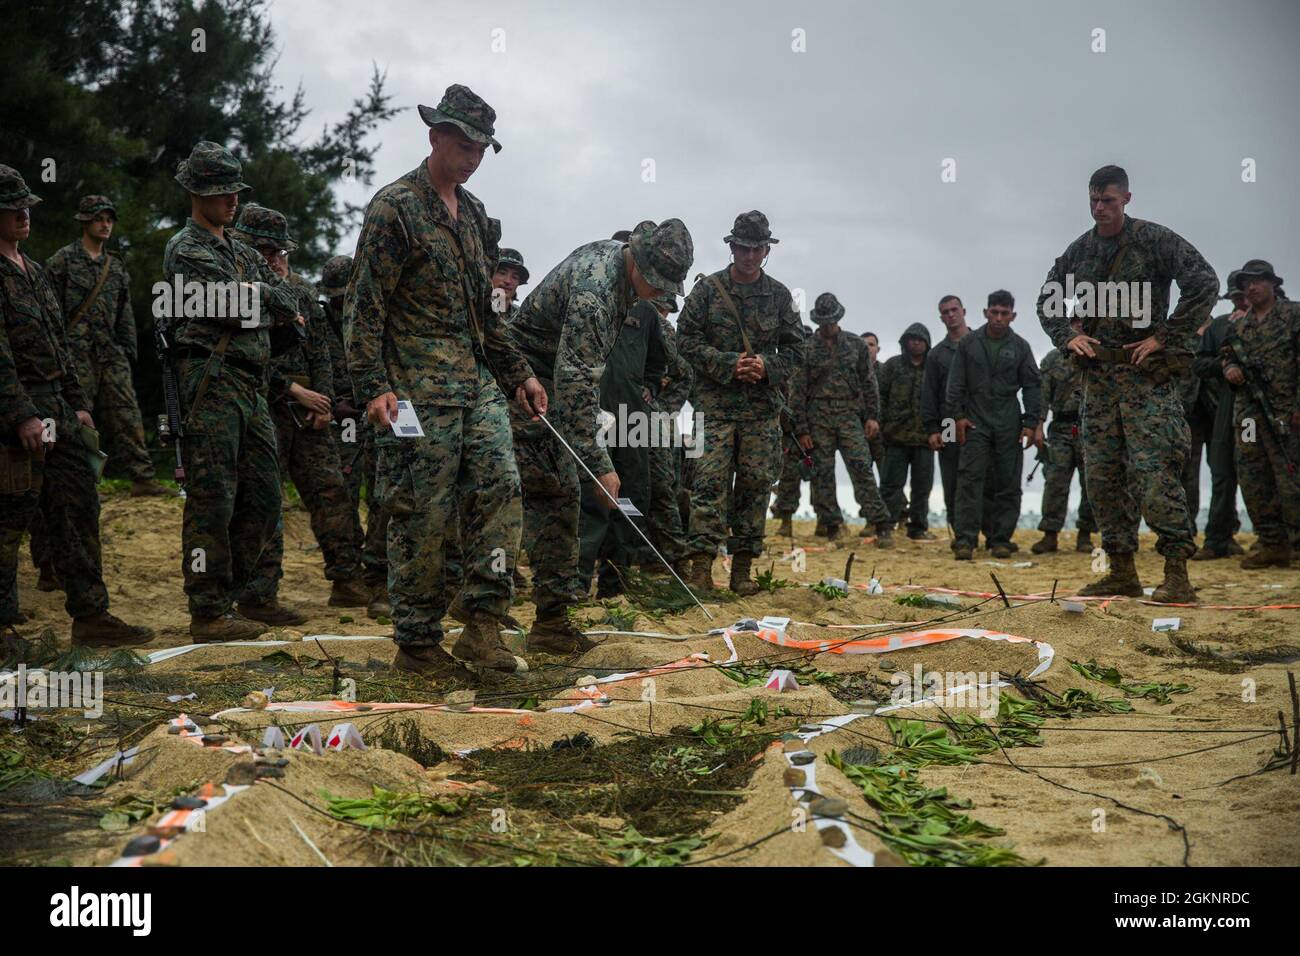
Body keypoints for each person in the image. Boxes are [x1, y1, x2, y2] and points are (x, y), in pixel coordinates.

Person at [346, 84, 548, 675]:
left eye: (483, 147)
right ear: (435, 136)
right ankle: (416, 641)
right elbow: (365, 307)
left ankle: (483, 624)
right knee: (420, 511)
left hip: (476, 382)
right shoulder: (395, 208)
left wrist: (520, 375)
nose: (474, 156)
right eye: (464, 144)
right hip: (412, 389)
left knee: (502, 487)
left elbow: (486, 315)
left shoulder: (478, 216)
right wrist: (371, 385)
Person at [1037, 165, 1217, 601]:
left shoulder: (1154, 240)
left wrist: (1165, 336)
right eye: (1094, 200)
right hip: (1097, 383)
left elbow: (1204, 282)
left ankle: (1177, 575)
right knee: (1102, 478)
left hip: (1144, 380)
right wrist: (1069, 335)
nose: (1100, 208)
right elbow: (1047, 300)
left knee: (1154, 474)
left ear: (1127, 200)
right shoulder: (1079, 251)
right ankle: (1122, 571)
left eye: (1109, 201)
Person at [510, 218, 692, 631]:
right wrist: (600, 464)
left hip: (555, 383)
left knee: (560, 493)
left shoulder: (621, 274)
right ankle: (521, 612)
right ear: (639, 266)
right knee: (553, 492)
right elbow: (576, 380)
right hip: (528, 382)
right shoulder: (596, 292)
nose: (661, 295)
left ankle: (552, 621)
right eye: (658, 284)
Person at [0, 164, 153, 645]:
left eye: (28, 205)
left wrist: (77, 403)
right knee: (11, 519)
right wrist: (21, 413)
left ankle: (91, 615)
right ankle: (3, 626)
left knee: (78, 506)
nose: (25, 213)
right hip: (17, 412)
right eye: (14, 206)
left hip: (58, 409)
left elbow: (58, 343)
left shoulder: (36, 271)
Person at [163, 142, 304, 641]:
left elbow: (285, 299)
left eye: (234, 191)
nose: (231, 200)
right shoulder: (185, 249)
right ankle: (206, 609)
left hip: (251, 383)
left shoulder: (242, 250)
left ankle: (235, 596)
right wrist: (264, 300)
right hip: (211, 380)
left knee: (265, 497)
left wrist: (261, 298)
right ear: (195, 193)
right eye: (220, 192)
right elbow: (229, 307)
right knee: (212, 498)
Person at [231, 205, 368, 620]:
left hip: (310, 414)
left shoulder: (304, 293)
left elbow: (321, 350)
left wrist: (322, 401)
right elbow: (244, 357)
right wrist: (291, 389)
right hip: (264, 407)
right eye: (264, 251)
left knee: (332, 493)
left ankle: (346, 577)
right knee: (263, 501)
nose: (274, 259)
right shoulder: (241, 294)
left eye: (279, 252)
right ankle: (260, 594)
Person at [678, 211, 803, 594]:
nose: (749, 256)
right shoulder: (707, 291)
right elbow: (685, 340)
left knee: (754, 486)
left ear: (766, 250)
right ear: (732, 248)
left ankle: (743, 570)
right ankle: (701, 568)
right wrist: (729, 364)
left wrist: (766, 366)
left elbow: (798, 351)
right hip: (714, 408)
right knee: (708, 484)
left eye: (757, 249)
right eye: (743, 248)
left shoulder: (781, 296)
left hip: (760, 411)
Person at [44, 195, 165, 496]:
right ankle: (74, 479)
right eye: (99, 218)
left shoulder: (116, 266)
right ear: (85, 221)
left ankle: (142, 477)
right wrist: (55, 352)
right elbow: (49, 310)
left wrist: (127, 349)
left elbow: (124, 313)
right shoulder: (63, 261)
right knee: (75, 417)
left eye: (109, 219)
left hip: (111, 352)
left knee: (127, 413)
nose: (105, 224)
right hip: (75, 353)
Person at [319, 253, 393, 615]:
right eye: (334, 298)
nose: (340, 305)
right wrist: (333, 403)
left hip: (377, 412)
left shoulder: (378, 314)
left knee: (383, 493)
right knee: (339, 494)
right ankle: (346, 576)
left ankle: (379, 575)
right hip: (338, 420)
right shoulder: (321, 322)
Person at [947, 290, 1041, 560]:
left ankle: (1000, 539)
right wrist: (958, 417)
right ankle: (965, 540)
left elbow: (1033, 385)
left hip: (1008, 420)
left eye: (1004, 313)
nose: (999, 318)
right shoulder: (968, 344)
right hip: (975, 420)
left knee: (1008, 482)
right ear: (985, 312)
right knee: (969, 480)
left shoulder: (1021, 347)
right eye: (994, 312)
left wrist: (1030, 423)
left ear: (1013, 316)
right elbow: (955, 384)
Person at [1219, 260, 1300, 569]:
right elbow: (1225, 357)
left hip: (1285, 413)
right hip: (1249, 418)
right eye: (1246, 283)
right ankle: (1271, 543)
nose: (1251, 288)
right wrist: (1231, 369)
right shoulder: (1238, 326)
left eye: (1257, 281)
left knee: (1290, 477)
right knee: (1253, 476)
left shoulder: (1293, 315)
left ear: (1271, 283)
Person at [1190, 272, 1246, 560]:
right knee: (1216, 471)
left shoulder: (1281, 321)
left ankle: (1269, 537)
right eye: (1235, 297)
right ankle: (1213, 538)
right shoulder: (1218, 328)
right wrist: (1224, 367)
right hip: (1205, 414)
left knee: (1250, 467)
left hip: (1243, 412)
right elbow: (1199, 364)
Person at [1031, 317, 1097, 554]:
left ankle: (1085, 535)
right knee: (1055, 481)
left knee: (1092, 483)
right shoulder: (1053, 359)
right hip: (1060, 428)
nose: (1079, 327)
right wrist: (1038, 426)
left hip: (1092, 428)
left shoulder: (1099, 355)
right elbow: (1042, 396)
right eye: (1075, 323)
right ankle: (1050, 534)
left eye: (1083, 323)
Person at [877, 323, 935, 539]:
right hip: (895, 438)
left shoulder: (935, 367)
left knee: (922, 488)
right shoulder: (892, 366)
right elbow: (880, 396)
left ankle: (918, 528)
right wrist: (881, 426)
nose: (916, 342)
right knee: (891, 486)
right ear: (904, 342)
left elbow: (946, 399)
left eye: (920, 339)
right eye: (912, 339)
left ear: (927, 343)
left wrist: (944, 435)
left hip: (925, 439)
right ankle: (886, 527)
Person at [771, 323, 813, 537]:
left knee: (820, 474)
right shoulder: (782, 365)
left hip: (816, 426)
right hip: (788, 429)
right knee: (788, 476)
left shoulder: (816, 364)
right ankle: (785, 520)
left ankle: (827, 521)